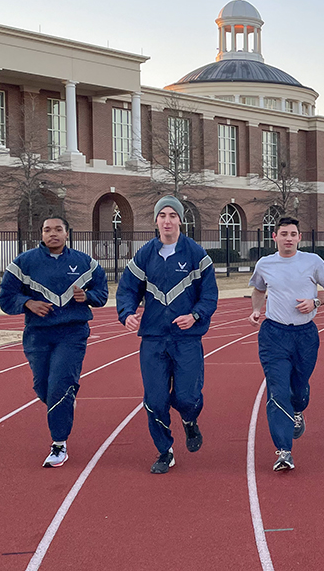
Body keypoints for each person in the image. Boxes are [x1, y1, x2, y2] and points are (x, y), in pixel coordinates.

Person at [117, 197, 219, 474]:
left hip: (186, 338)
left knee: (187, 397)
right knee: (155, 399)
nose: (167, 220)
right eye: (162, 215)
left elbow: (209, 296)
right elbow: (127, 288)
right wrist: (127, 312)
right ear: (155, 221)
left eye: (173, 215)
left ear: (180, 221)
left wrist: (195, 315)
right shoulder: (145, 254)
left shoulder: (197, 254)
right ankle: (165, 451)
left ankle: (189, 419)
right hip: (153, 338)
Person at [0, 216, 108, 468]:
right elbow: (6, 296)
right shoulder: (24, 263)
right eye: (48, 230)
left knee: (60, 385)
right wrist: (27, 303)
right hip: (38, 335)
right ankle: (65, 400)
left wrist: (87, 296)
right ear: (41, 233)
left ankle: (59, 443)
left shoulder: (84, 263)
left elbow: (101, 292)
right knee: (43, 387)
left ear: (67, 233)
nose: (53, 234)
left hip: (72, 333)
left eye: (58, 229)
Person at [248, 217, 324, 472]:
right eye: (283, 234)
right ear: (274, 237)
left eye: (293, 234)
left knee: (298, 391)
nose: (288, 238)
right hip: (274, 335)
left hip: (305, 335)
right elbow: (257, 289)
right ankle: (284, 450)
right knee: (277, 390)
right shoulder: (265, 264)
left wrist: (316, 302)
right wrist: (257, 310)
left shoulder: (312, 261)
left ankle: (298, 409)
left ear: (300, 237)